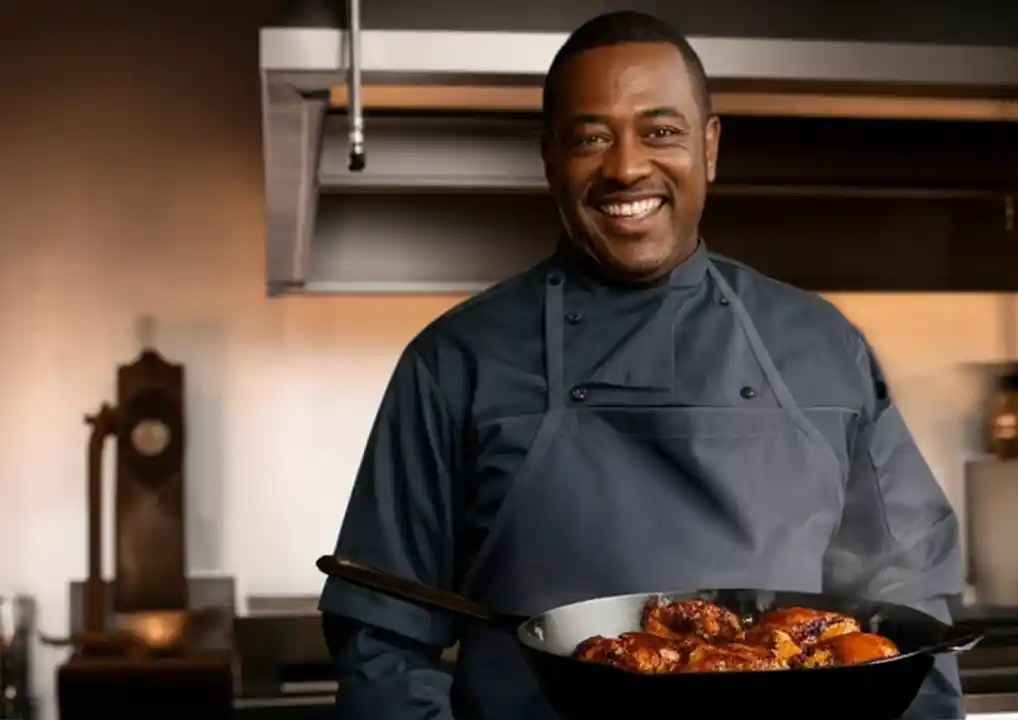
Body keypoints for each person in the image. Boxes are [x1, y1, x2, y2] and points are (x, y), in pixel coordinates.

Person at [318, 10, 966, 720]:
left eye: (661, 132)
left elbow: (910, 605)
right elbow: (383, 647)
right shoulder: (456, 363)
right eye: (591, 138)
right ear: (549, 159)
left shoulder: (822, 346)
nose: (626, 166)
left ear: (710, 147)